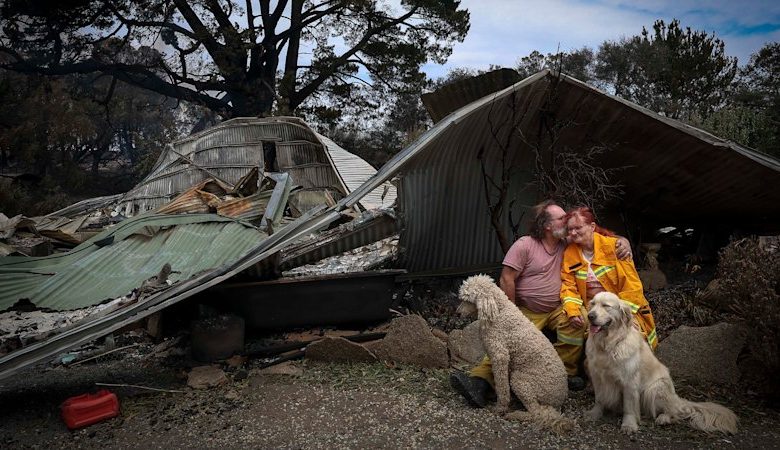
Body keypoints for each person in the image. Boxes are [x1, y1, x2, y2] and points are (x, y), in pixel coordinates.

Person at [450, 200, 632, 408]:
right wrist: (511, 311)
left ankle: (564, 374)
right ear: (547, 226)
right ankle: (479, 383)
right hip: (526, 310)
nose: (567, 222)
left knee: (578, 321)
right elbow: (506, 279)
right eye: (562, 218)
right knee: (503, 343)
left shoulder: (568, 244)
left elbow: (595, 236)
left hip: (558, 308)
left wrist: (622, 240)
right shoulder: (525, 245)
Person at [558, 206, 657, 374]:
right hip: (591, 307)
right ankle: (590, 376)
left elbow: (632, 287)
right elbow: (569, 286)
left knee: (631, 333)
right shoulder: (570, 253)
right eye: (570, 229)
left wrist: (627, 314)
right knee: (580, 328)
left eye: (578, 228)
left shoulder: (614, 247)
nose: (573, 233)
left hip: (618, 306)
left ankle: (634, 377)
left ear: (592, 226)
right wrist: (573, 310)